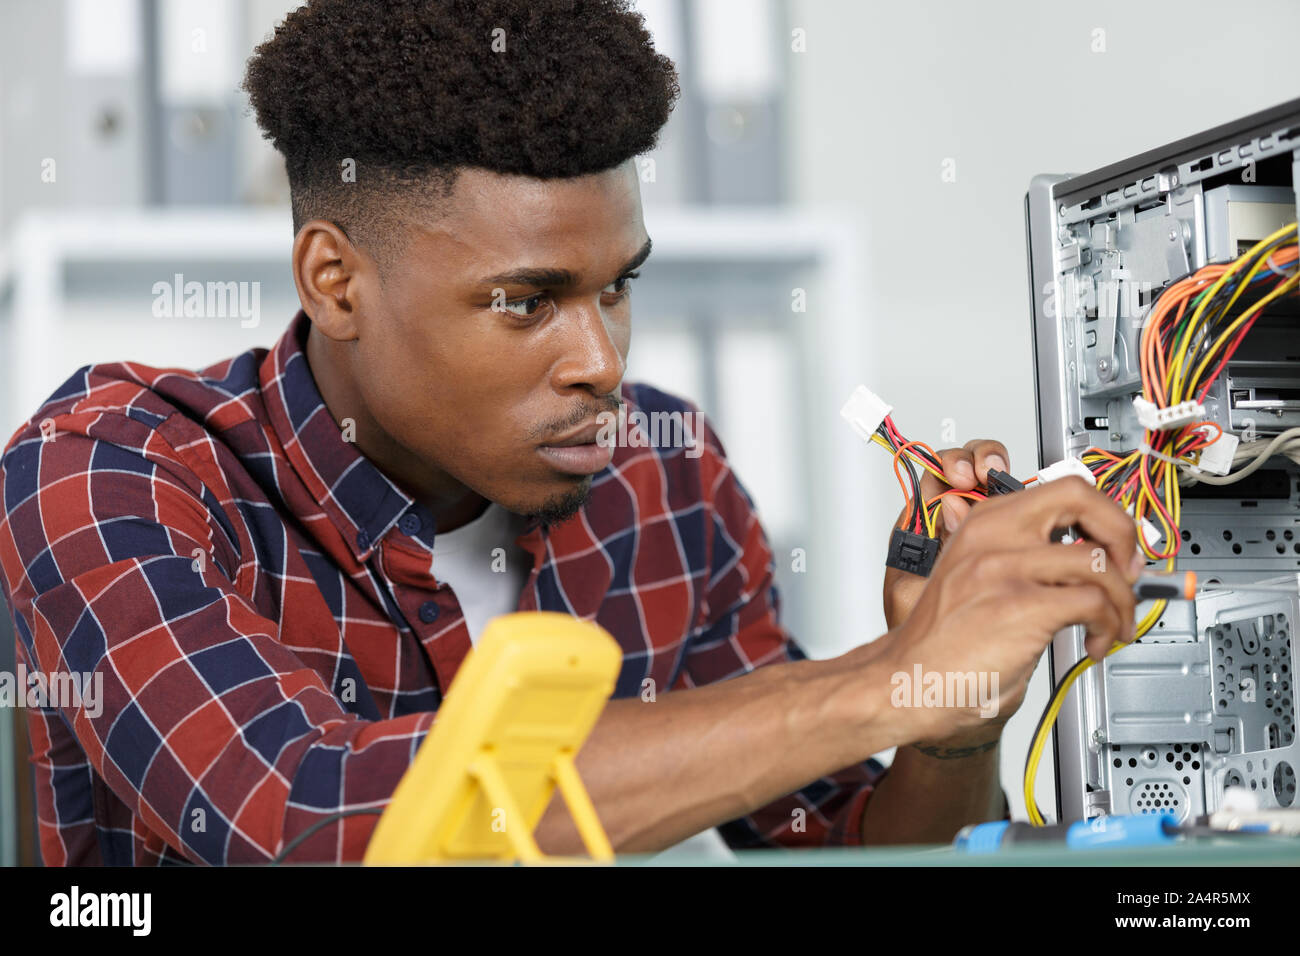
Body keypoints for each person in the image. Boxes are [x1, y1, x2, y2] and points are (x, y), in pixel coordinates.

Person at [0, 0, 1140, 865]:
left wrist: (952, 714)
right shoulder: (110, 469)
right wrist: (891, 673)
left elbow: (840, 849)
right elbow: (304, 812)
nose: (600, 360)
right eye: (526, 300)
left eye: (616, 288)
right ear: (336, 279)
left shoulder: (664, 475)